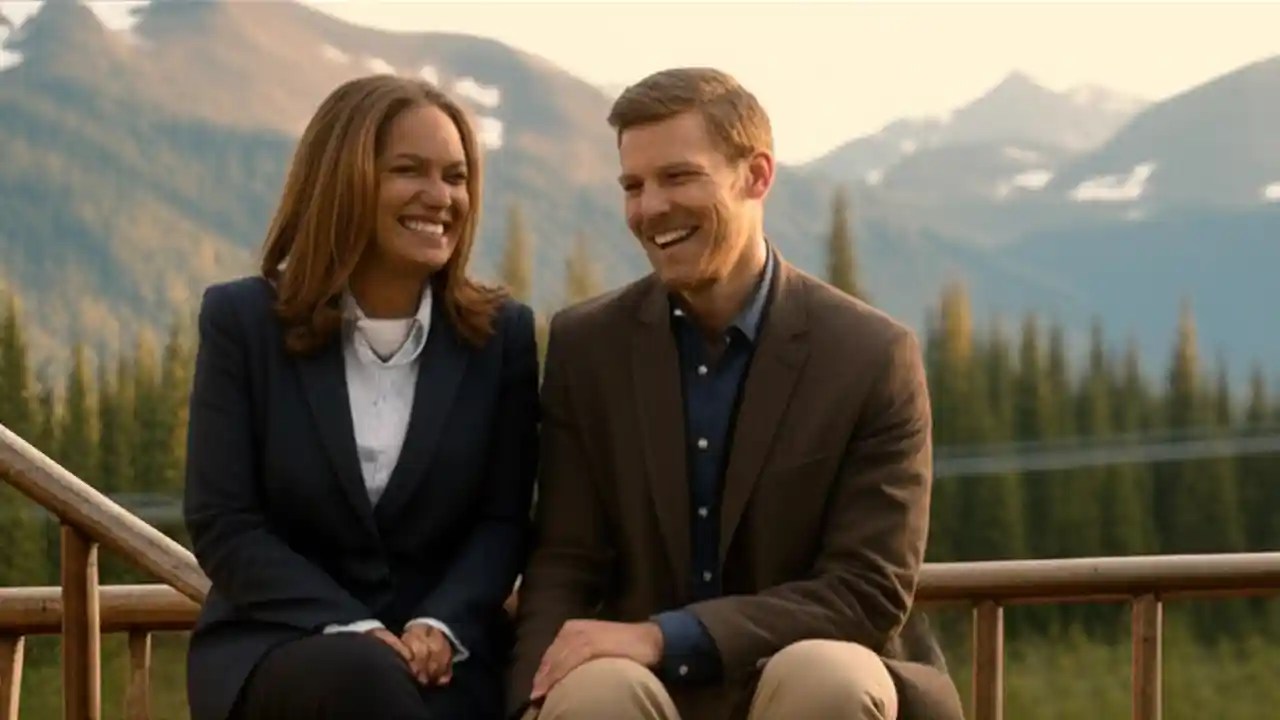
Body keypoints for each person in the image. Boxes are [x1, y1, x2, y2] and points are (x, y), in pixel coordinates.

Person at [507, 67, 962, 720]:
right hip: (639, 689)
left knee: (827, 676)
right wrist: (532, 700)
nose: (650, 208)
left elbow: (866, 589)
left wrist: (665, 637)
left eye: (678, 177)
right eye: (633, 186)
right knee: (592, 695)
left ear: (756, 176)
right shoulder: (586, 348)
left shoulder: (872, 357)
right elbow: (562, 564)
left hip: (806, 675)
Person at [183, 74, 539, 720]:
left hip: (448, 654)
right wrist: (354, 626)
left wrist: (442, 622)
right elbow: (225, 523)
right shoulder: (243, 322)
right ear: (342, 179)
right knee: (362, 677)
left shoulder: (501, 336)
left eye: (455, 177)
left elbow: (503, 522)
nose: (440, 196)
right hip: (288, 645)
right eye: (409, 170)